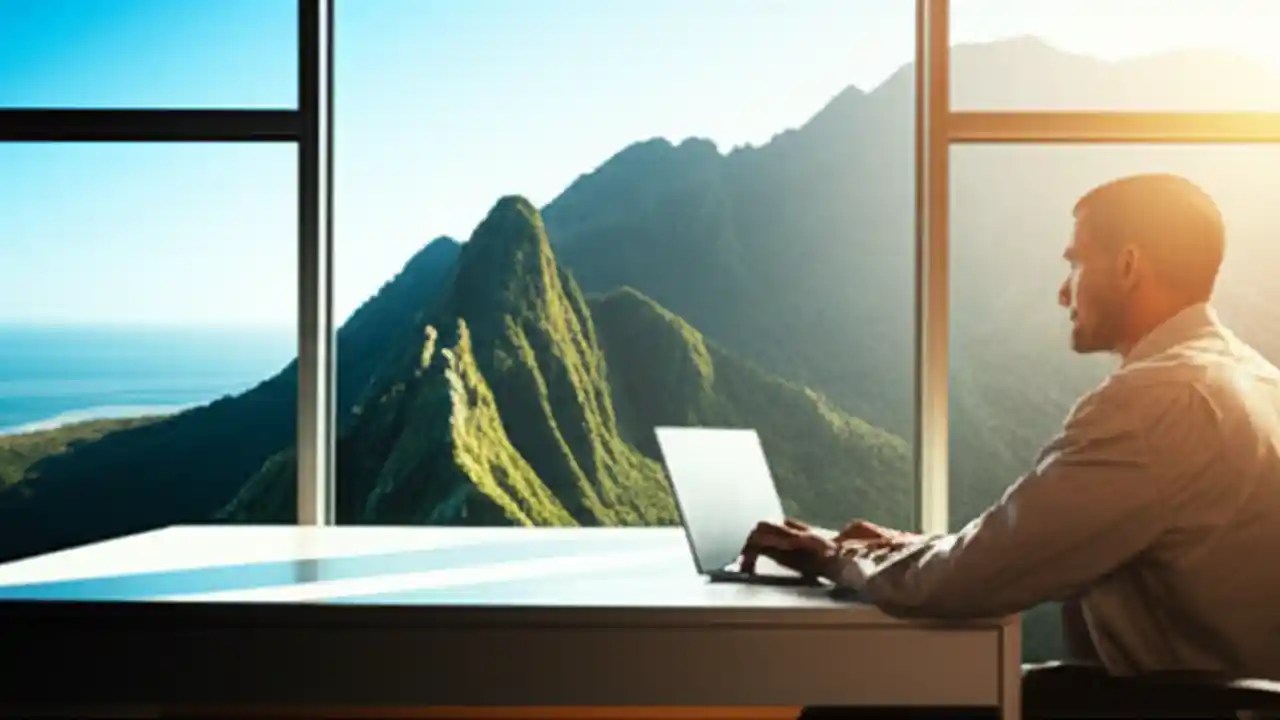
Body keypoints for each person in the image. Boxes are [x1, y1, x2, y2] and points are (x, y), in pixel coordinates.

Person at [741, 174, 1280, 699]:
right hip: (1229, 696)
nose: (1063, 292)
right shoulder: (1256, 377)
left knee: (862, 700)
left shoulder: (1157, 402)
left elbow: (973, 580)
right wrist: (904, 547)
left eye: (1075, 263)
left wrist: (836, 556)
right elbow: (1024, 545)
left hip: (1176, 706)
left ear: (1128, 265)